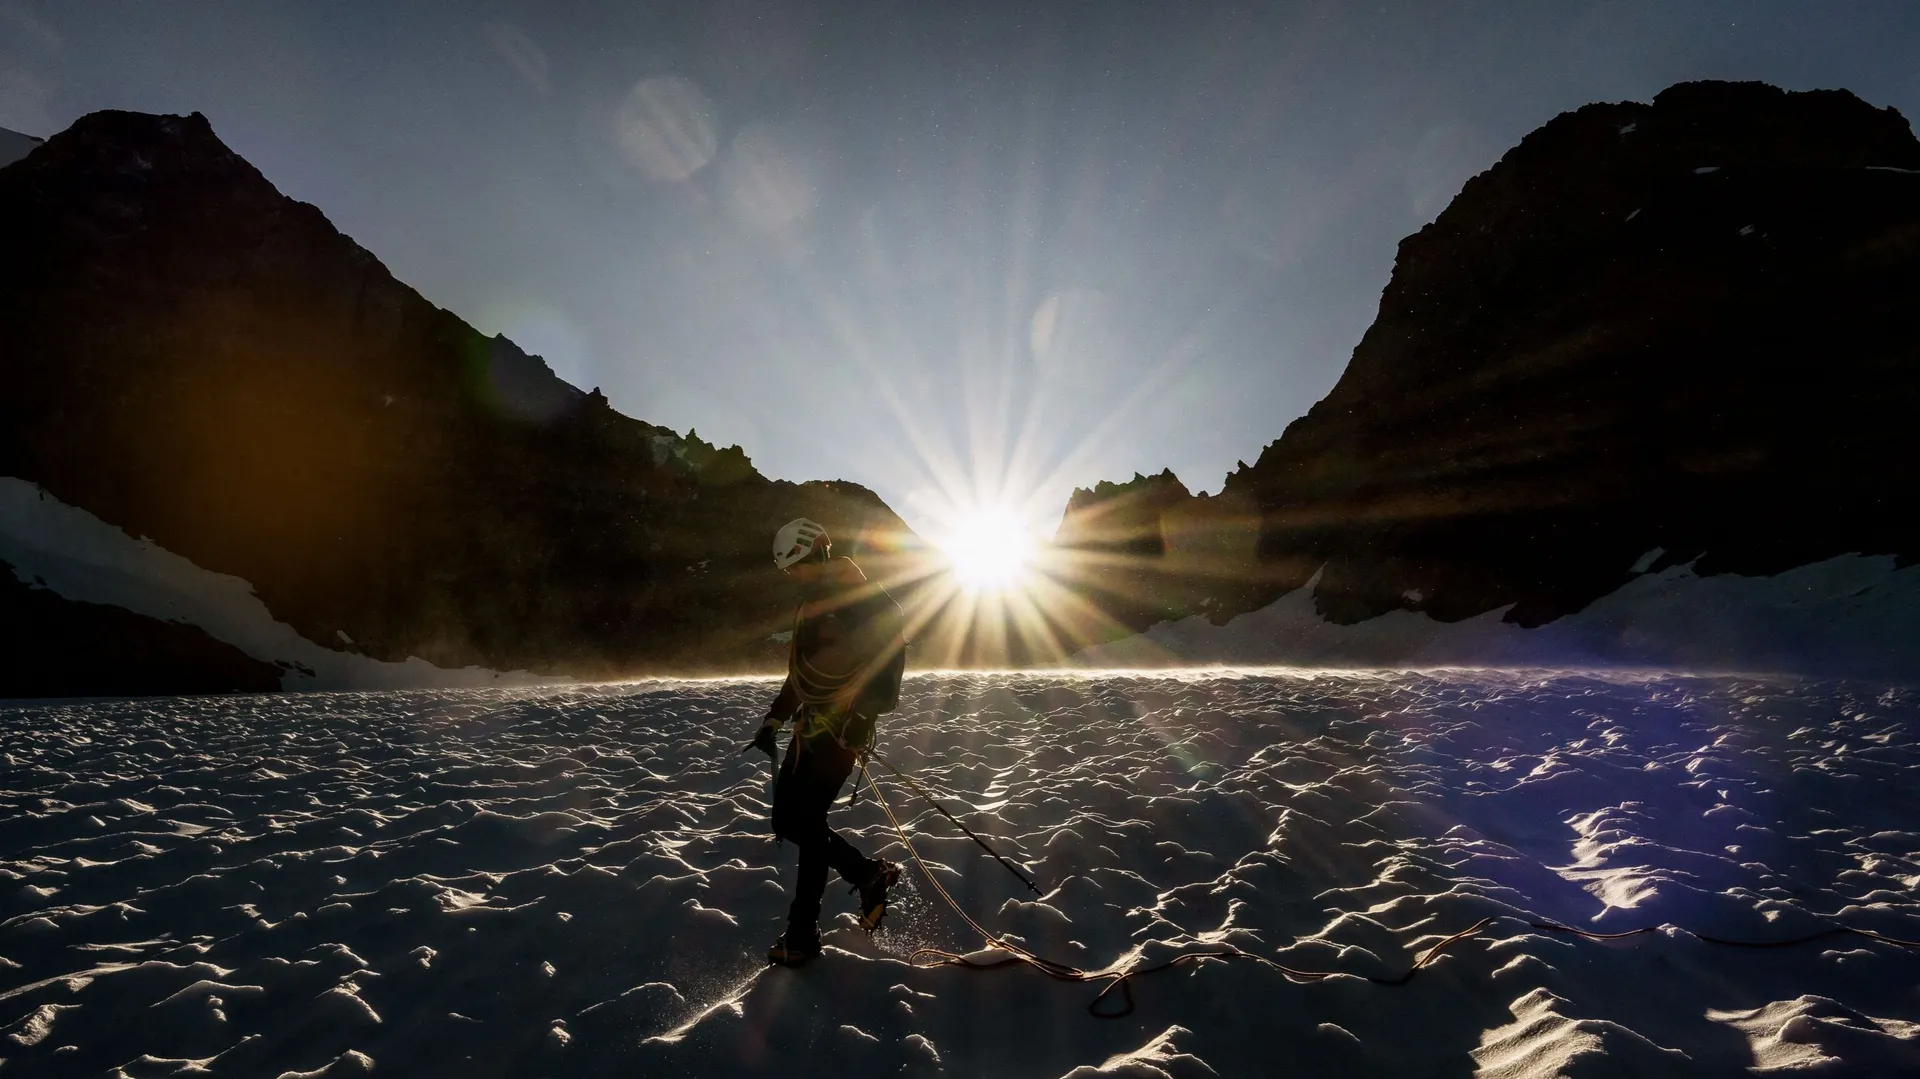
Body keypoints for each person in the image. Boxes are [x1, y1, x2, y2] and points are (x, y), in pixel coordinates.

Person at [747, 517, 908, 967]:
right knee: (790, 820)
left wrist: (860, 717)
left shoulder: (863, 602)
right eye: (788, 571)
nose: (792, 577)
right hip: (811, 728)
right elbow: (801, 674)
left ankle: (802, 934)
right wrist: (773, 719)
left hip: (840, 731)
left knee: (805, 819)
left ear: (818, 554)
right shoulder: (812, 605)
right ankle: (867, 874)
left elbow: (886, 666)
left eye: (797, 566)